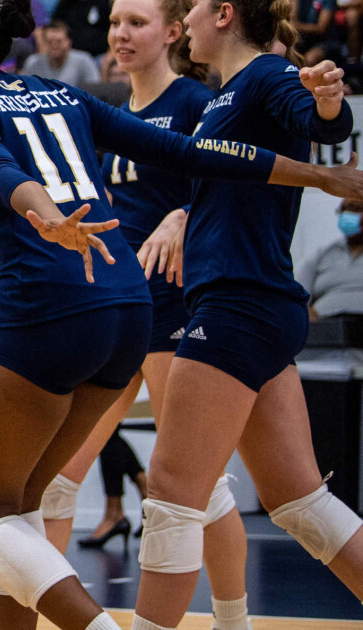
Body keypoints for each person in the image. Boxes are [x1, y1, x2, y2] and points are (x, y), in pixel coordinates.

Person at [0, 2, 363, 630]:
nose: (121, 32)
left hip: (101, 296)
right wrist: (318, 175)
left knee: (6, 510)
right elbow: (195, 156)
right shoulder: (61, 93)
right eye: (116, 21)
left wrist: (46, 216)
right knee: (37, 496)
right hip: (133, 297)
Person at [131, 0, 363, 625]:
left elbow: (323, 123)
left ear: (225, 14)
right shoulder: (221, 96)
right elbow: (235, 182)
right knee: (299, 503)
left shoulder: (266, 74)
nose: (188, 21)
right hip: (251, 304)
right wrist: (182, 216)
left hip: (238, 303)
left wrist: (329, 101)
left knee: (174, 497)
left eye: (196, 8)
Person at [37, 0, 255, 626]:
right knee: (55, 479)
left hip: (175, 307)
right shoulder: (108, 112)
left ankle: (234, 619)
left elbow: (228, 185)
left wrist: (181, 214)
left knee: (196, 486)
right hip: (119, 307)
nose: (121, 35)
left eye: (136, 22)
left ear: (172, 32)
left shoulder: (192, 102)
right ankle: (39, 613)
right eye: (113, 23)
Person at [297, 199, 363, 320]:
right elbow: (297, 294)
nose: (349, 216)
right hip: (328, 327)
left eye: (357, 209)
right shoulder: (321, 255)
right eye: (344, 211)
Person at [22, 21, 101, 86]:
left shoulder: (84, 61)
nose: (54, 46)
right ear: (44, 43)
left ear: (69, 42)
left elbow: (94, 91)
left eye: (59, 41)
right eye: (50, 42)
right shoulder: (33, 63)